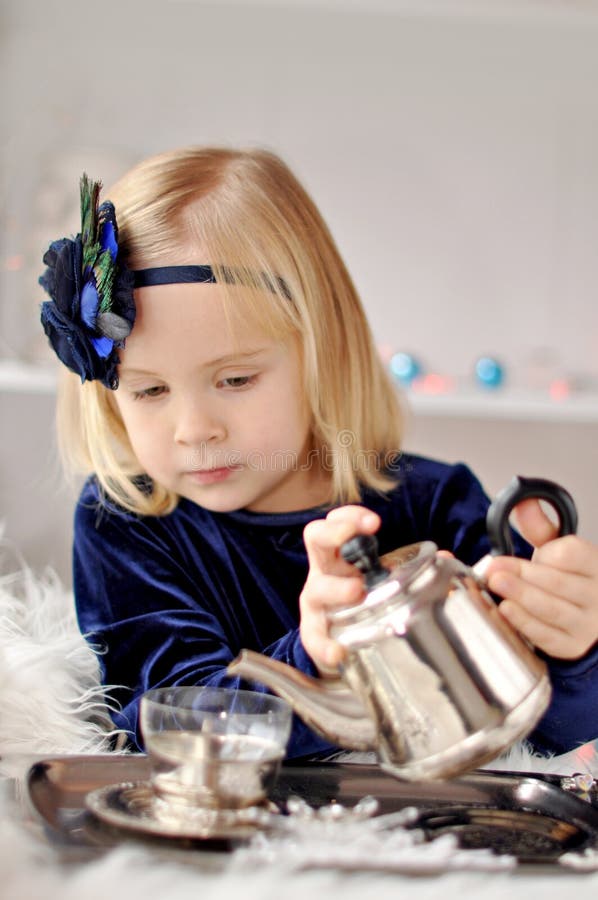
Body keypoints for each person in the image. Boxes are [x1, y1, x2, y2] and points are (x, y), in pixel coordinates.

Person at [39, 147, 598, 759]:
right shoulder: (125, 522)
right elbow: (171, 720)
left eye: (235, 380)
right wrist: (311, 661)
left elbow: (548, 731)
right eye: (149, 390)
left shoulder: (437, 506)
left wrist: (574, 647)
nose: (194, 429)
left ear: (320, 352)